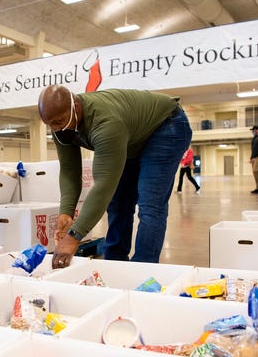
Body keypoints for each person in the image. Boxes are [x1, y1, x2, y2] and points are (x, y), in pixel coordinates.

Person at [38, 85, 192, 269]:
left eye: (59, 122)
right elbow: (70, 169)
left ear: (75, 108)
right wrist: (66, 212)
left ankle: (141, 271)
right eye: (50, 125)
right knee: (118, 205)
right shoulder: (61, 125)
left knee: (150, 206)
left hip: (166, 126)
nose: (56, 128)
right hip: (132, 137)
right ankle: (114, 264)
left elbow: (103, 185)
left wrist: (74, 237)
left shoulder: (105, 123)